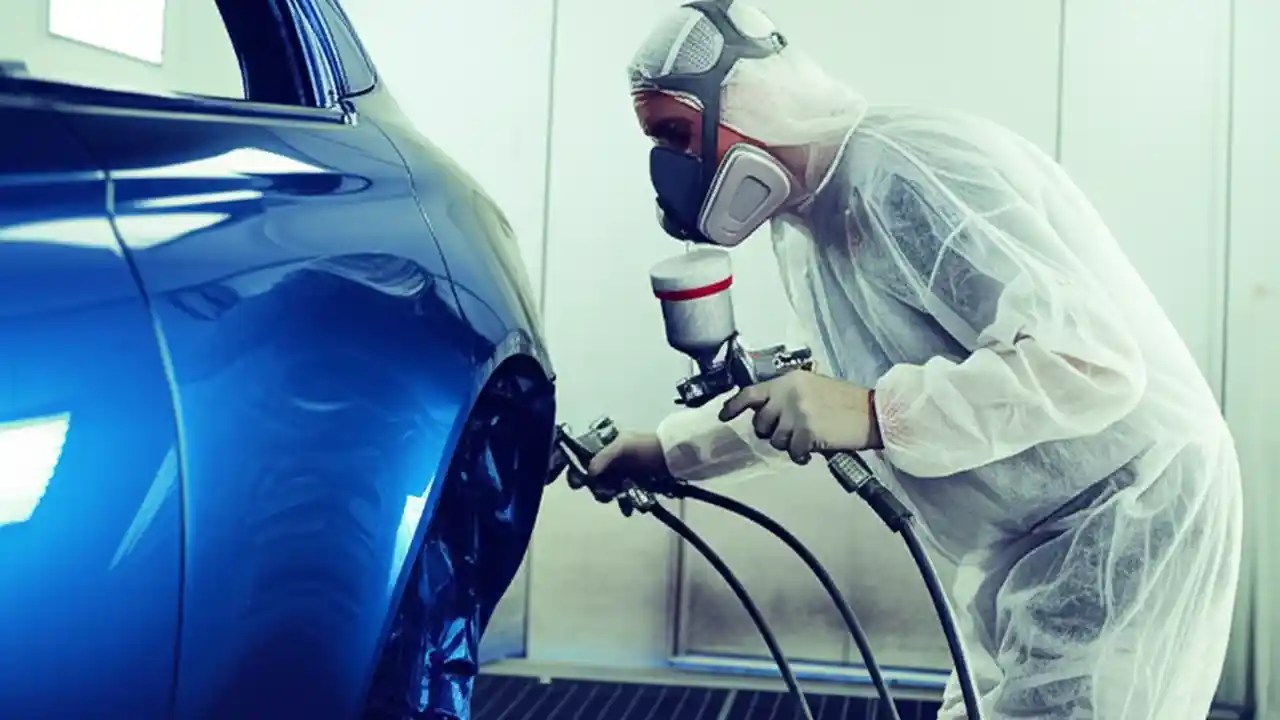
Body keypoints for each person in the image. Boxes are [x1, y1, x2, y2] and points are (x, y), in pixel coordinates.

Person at [587, 2, 1244, 719]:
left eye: (677, 135)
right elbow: (818, 399)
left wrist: (875, 413)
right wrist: (668, 453)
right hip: (1026, 538)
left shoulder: (904, 170)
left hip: (1123, 509)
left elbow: (1090, 363)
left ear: (751, 101)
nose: (670, 169)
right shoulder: (810, 226)